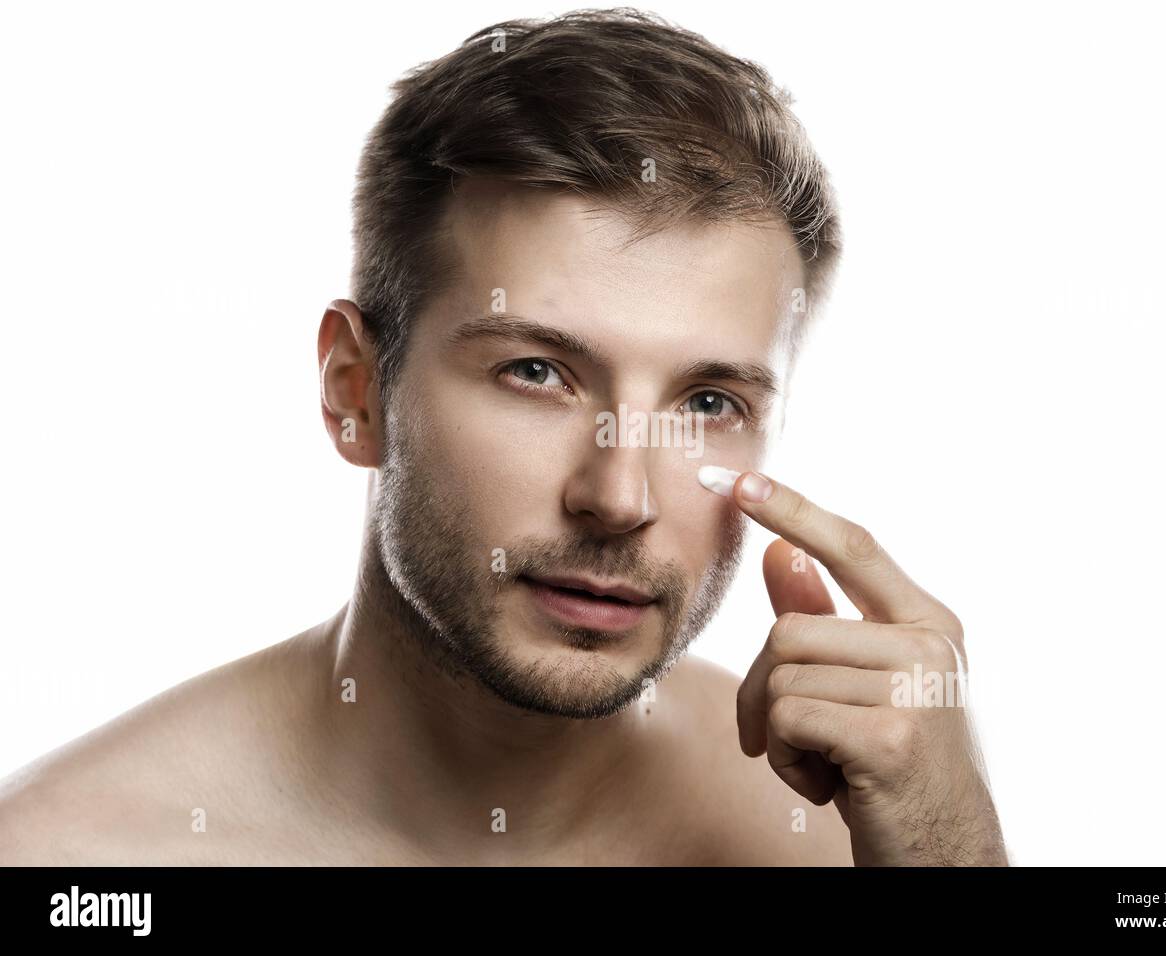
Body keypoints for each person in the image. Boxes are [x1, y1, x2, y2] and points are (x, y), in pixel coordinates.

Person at [0, 8, 1006, 866]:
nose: (619, 496)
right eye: (536, 371)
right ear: (358, 390)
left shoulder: (845, 831)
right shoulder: (79, 860)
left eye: (705, 401)